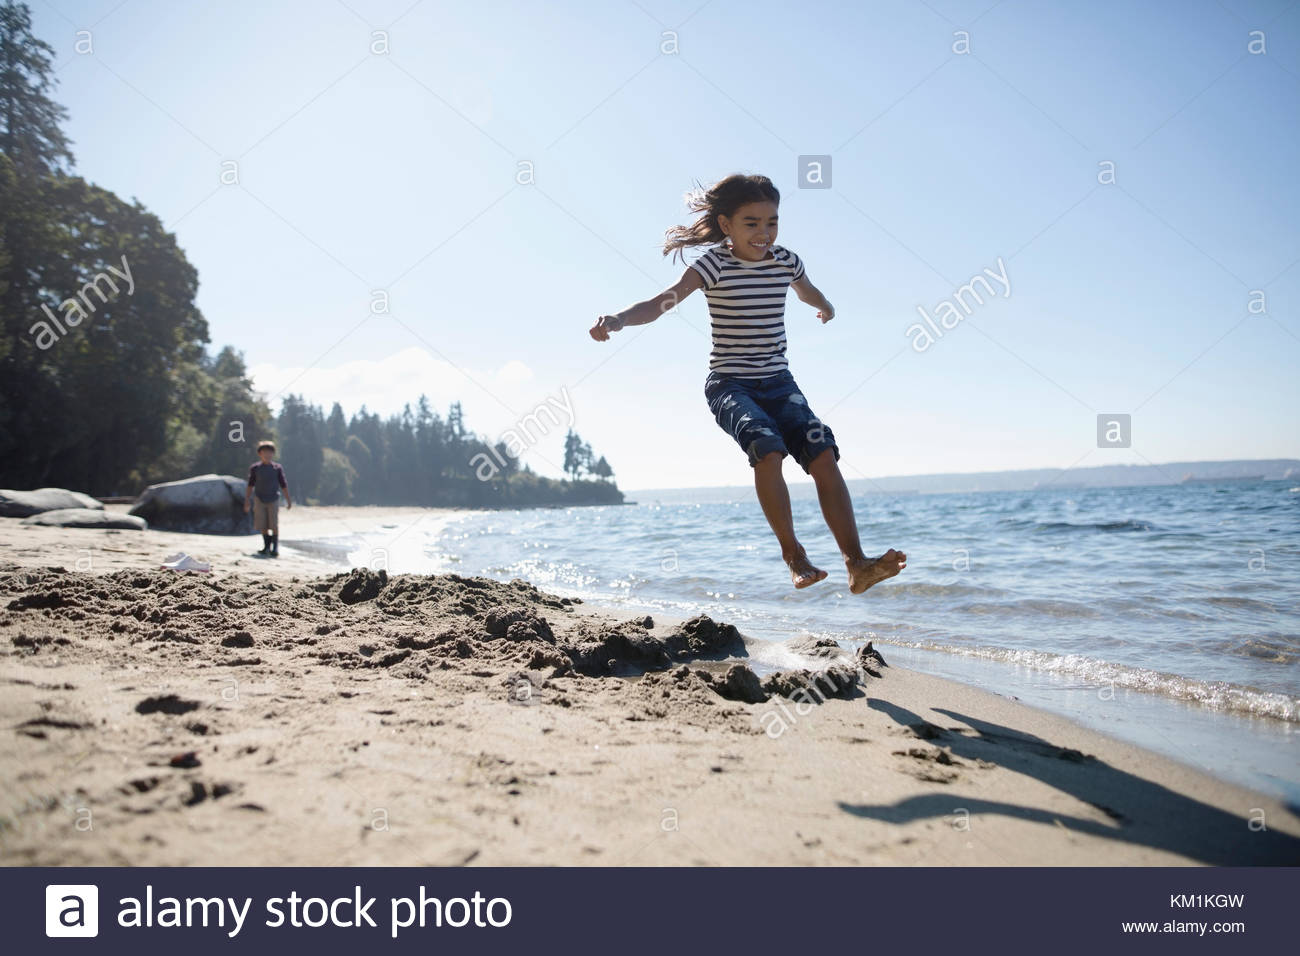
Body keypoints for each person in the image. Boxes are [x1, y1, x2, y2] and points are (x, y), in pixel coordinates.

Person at [589, 173, 906, 592]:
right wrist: (619, 319)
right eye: (751, 223)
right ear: (726, 225)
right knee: (767, 447)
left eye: (771, 222)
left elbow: (805, 290)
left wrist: (826, 305)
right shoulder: (713, 265)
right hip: (730, 385)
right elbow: (661, 302)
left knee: (823, 453)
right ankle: (794, 556)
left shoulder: (786, 261)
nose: (764, 232)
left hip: (779, 383)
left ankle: (857, 564)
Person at [244, 440, 292, 557]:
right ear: (260, 454)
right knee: (262, 525)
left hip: (273, 499)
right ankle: (266, 547)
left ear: (273, 454)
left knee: (274, 525)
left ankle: (275, 548)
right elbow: (250, 485)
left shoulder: (277, 468)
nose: (267, 455)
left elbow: (283, 484)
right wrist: (247, 500)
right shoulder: (255, 468)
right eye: (265, 452)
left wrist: (288, 499)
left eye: (270, 452)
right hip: (259, 499)